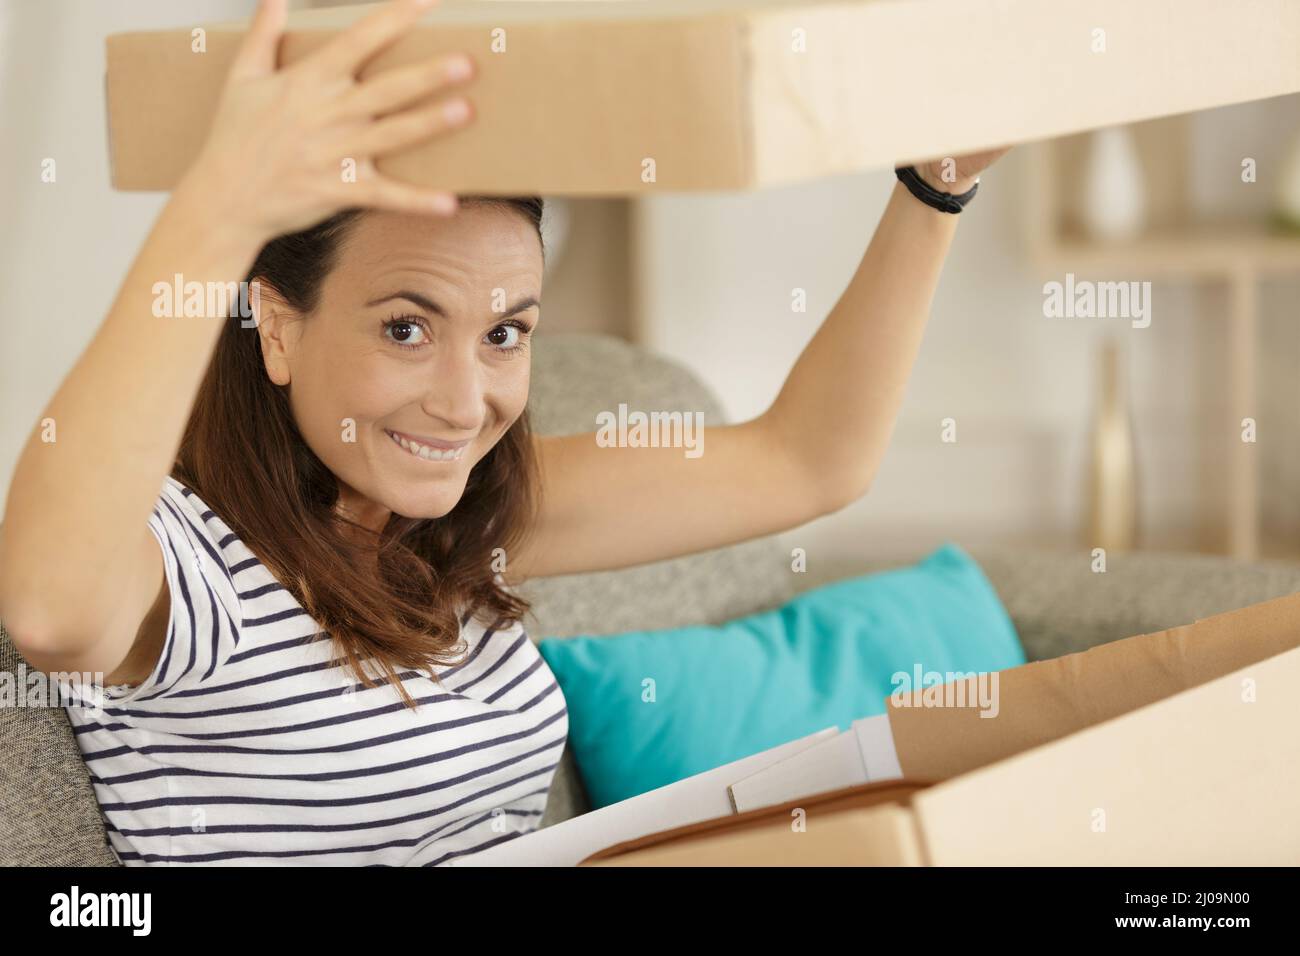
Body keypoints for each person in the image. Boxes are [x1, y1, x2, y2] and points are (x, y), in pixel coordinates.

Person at [0, 0, 1009, 865]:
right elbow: (47, 606)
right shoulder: (188, 573)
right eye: (405, 327)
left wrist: (935, 186)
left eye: (503, 333)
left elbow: (808, 461)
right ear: (274, 321)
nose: (462, 398)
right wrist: (220, 207)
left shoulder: (452, 521)